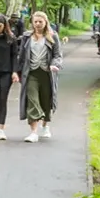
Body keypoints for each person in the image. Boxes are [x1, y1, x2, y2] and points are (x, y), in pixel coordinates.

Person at [20, 11, 63, 142]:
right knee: (32, 100)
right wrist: (16, 72)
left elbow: (58, 55)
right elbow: (21, 55)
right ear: (32, 23)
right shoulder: (27, 37)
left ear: (45, 22)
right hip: (31, 73)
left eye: (40, 22)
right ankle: (33, 132)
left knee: (46, 101)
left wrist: (54, 65)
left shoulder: (53, 36)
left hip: (47, 73)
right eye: (35, 22)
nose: (38, 24)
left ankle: (45, 125)